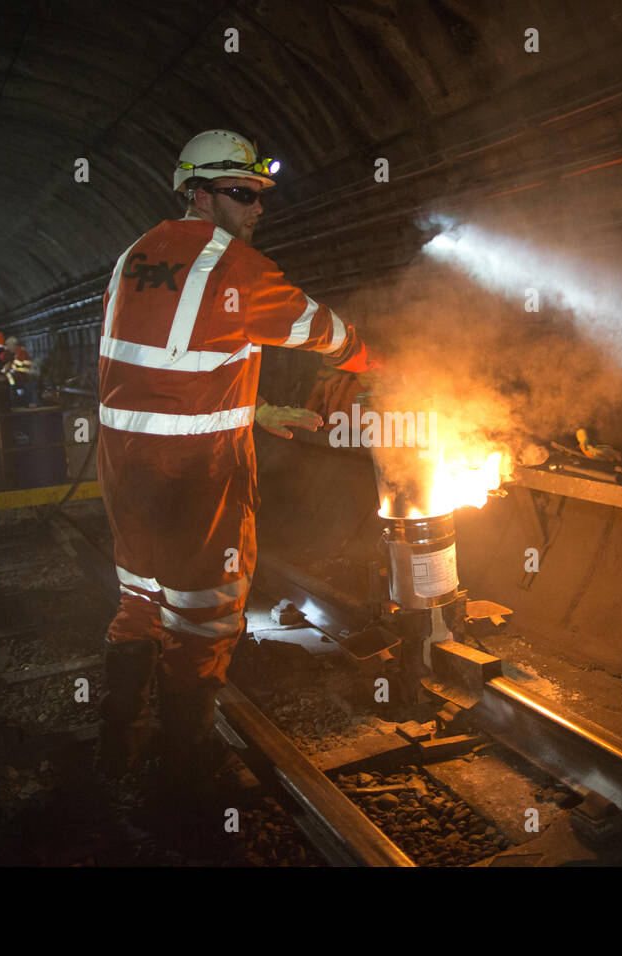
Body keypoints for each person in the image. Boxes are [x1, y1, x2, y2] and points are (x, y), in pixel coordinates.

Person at [95, 129, 379, 786]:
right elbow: (325, 333)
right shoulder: (232, 266)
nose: (257, 209)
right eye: (241, 193)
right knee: (205, 613)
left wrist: (258, 411)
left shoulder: (131, 257)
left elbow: (158, 373)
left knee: (140, 595)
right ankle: (187, 763)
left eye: (259, 196)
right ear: (199, 193)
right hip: (195, 476)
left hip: (124, 470)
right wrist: (377, 365)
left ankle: (115, 738)